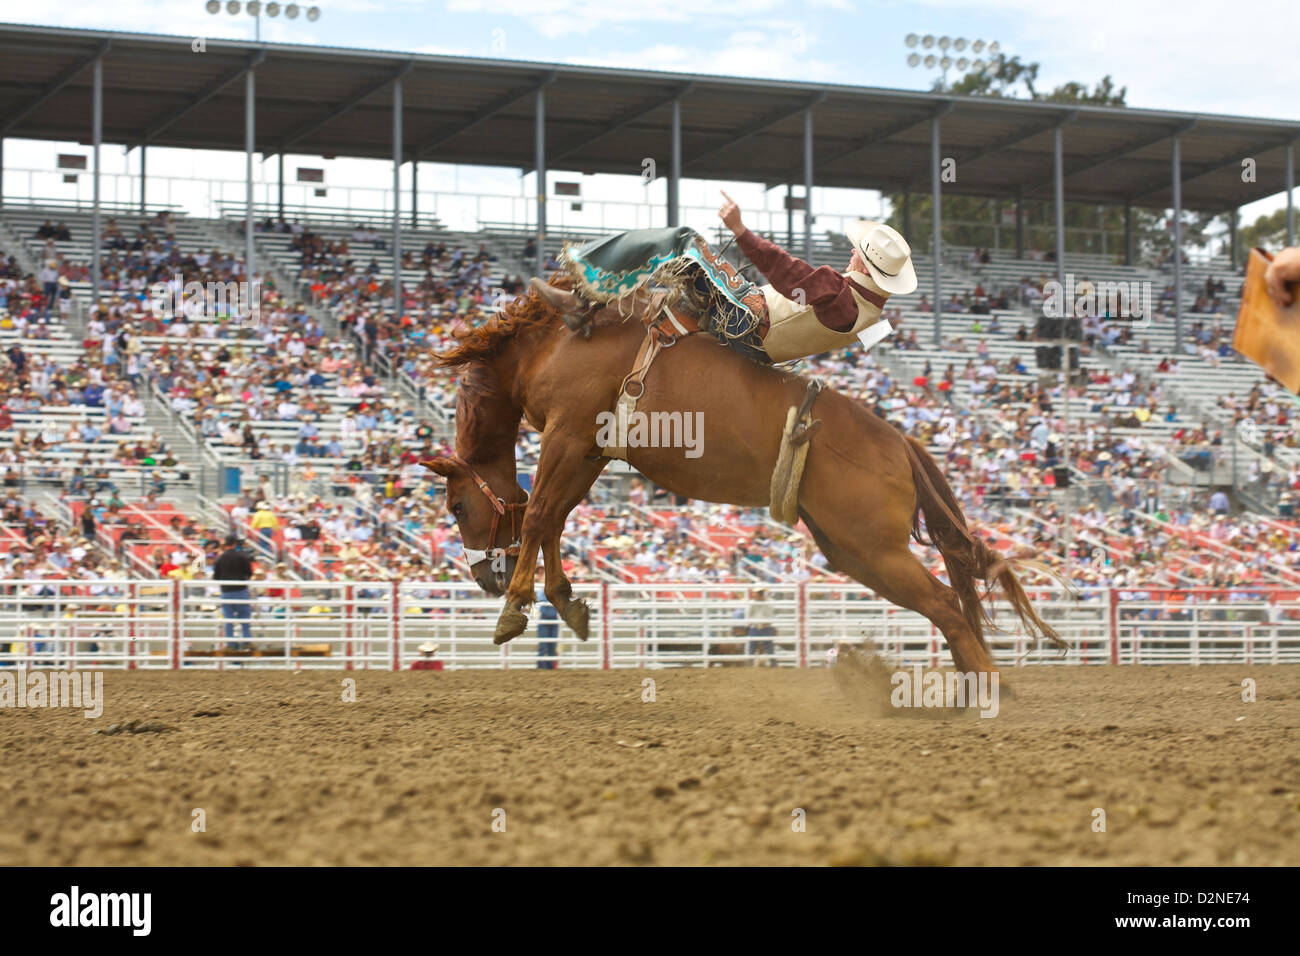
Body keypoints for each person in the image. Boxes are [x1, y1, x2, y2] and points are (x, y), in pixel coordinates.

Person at [529, 191, 915, 364]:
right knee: (671, 295)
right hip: (763, 349)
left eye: (856, 251)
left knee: (683, 241)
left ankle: (583, 285)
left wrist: (741, 231)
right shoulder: (875, 320)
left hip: (746, 319)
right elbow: (853, 339)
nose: (851, 251)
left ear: (865, 264)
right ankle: (593, 311)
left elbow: (787, 272)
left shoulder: (837, 290)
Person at [213, 534, 254, 652]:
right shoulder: (242, 556)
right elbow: (249, 573)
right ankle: (247, 641)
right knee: (245, 617)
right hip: (241, 590)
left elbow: (216, 576)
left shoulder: (220, 558)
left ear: (226, 545)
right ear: (235, 544)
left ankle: (230, 643)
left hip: (226, 591)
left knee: (228, 618)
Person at [746, 586, 776, 666]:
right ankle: (749, 664)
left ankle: (774, 664)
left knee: (769, 647)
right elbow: (748, 615)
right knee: (752, 647)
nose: (759, 594)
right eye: (758, 593)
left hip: (765, 627)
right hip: (755, 627)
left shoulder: (768, 603)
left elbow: (771, 615)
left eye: (760, 593)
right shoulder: (752, 603)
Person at [536, 584, 558, 670]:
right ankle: (541, 666)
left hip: (553, 618)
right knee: (543, 646)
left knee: (552, 645)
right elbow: (541, 599)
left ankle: (550, 666)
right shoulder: (542, 591)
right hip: (545, 618)